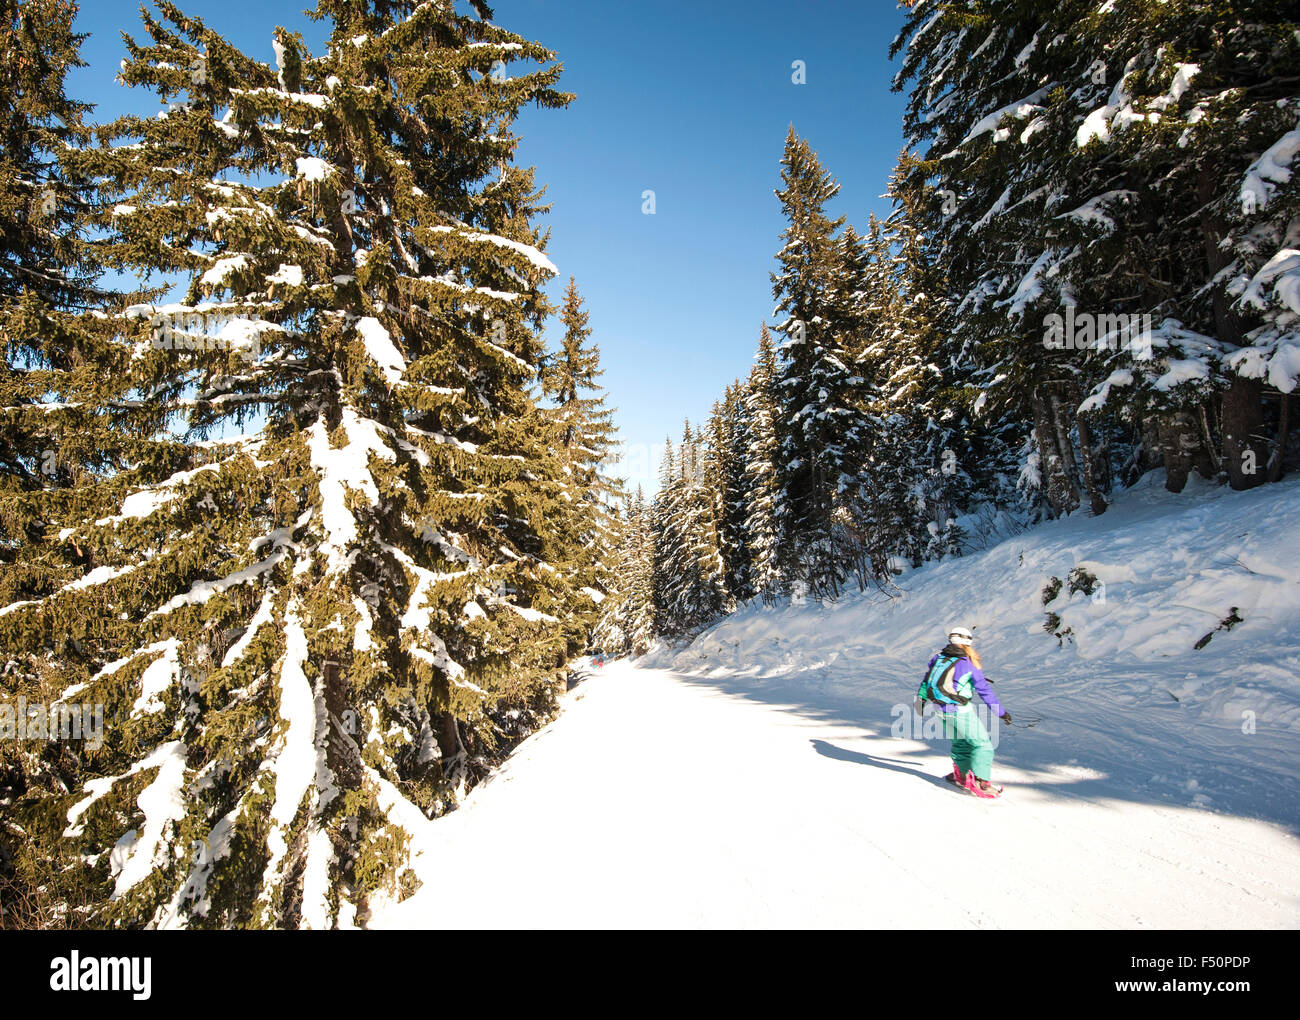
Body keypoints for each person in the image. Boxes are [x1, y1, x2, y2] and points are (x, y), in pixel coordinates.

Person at [916, 626, 1011, 799]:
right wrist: (1001, 712)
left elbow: (926, 680)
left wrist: (920, 700)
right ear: (968, 641)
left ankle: (961, 776)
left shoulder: (938, 657)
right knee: (982, 745)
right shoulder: (968, 663)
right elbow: (985, 692)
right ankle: (981, 782)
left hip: (939, 710)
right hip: (959, 711)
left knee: (960, 743)